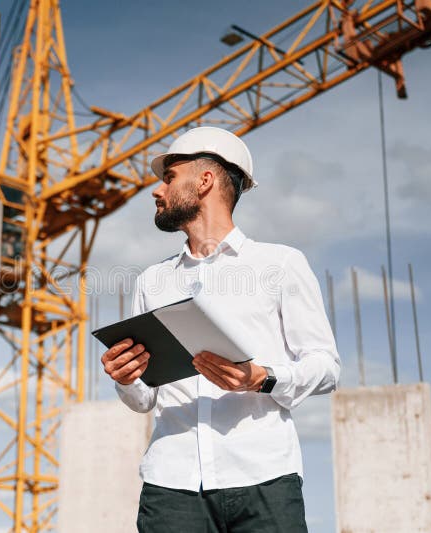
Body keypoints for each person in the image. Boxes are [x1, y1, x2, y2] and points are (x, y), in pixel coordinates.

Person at [101, 126, 340, 532]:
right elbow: (144, 400)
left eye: (170, 177)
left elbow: (326, 367)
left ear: (205, 180)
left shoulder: (279, 265)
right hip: (171, 487)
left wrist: (262, 378)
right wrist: (126, 378)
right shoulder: (151, 281)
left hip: (265, 480)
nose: (157, 192)